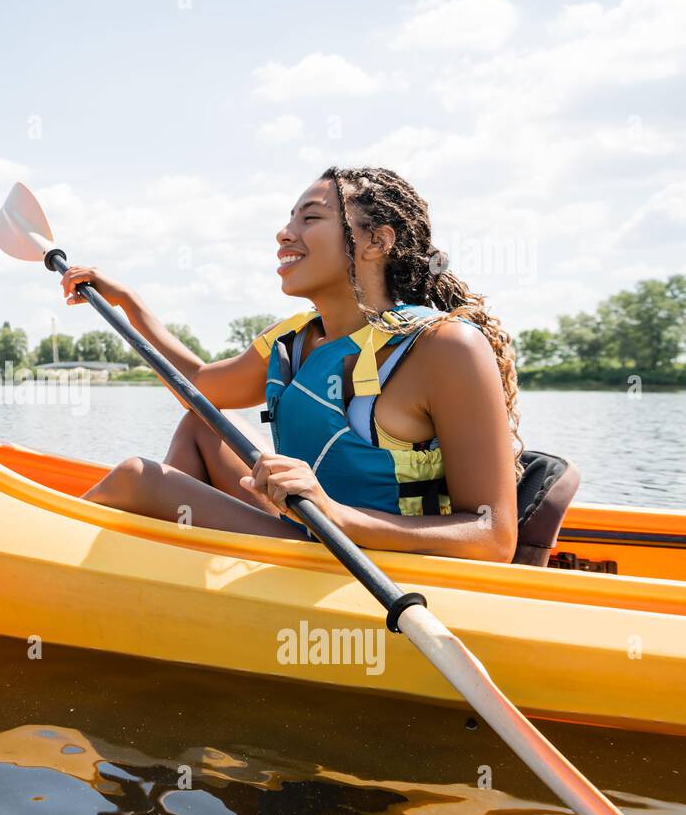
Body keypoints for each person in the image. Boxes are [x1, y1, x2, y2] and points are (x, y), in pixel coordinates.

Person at [62, 166, 522, 562]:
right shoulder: (294, 336)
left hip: (371, 563)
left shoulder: (443, 346)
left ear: (377, 241)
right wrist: (129, 303)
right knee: (203, 425)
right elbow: (199, 385)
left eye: (311, 218)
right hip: (305, 536)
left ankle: (63, 567)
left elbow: (494, 537)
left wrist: (336, 517)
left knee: (137, 480)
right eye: (288, 219)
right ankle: (163, 579)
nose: (285, 233)